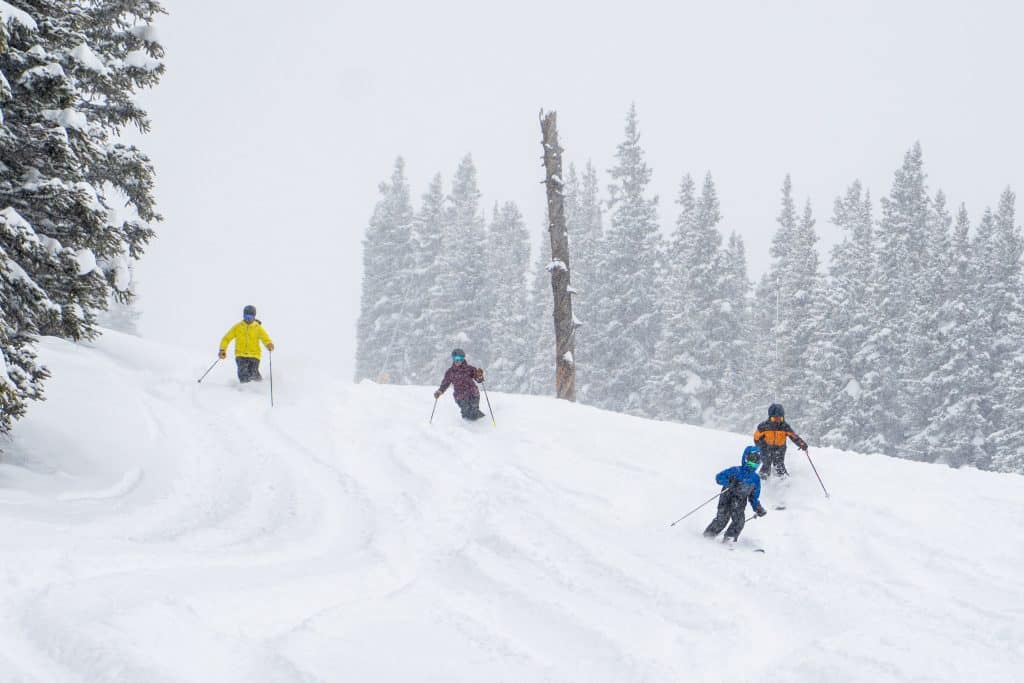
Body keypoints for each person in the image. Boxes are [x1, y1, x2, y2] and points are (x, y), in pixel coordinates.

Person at [704, 446, 767, 542]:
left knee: (739, 521)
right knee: (722, 519)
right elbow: (719, 477)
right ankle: (708, 536)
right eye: (751, 462)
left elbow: (754, 497)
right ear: (745, 459)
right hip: (727, 497)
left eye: (756, 463)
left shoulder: (755, 479)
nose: (753, 465)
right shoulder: (735, 471)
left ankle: (729, 538)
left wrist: (758, 508)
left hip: (740, 501)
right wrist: (729, 482)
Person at [219, 305, 274, 383]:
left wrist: (269, 344)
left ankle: (260, 385)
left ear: (254, 317)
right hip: (240, 355)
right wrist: (222, 350)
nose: (248, 319)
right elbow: (226, 338)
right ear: (243, 316)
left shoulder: (258, 328)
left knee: (253, 373)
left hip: (254, 355)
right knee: (243, 372)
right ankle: (245, 387)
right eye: (246, 316)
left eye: (250, 317)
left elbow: (265, 338)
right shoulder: (238, 327)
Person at [753, 403, 808, 480]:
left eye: (780, 418)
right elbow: (756, 438)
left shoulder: (784, 426)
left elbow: (794, 437)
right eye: (774, 418)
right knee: (766, 463)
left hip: (780, 448)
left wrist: (801, 444)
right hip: (766, 447)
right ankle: (762, 479)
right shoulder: (764, 426)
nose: (777, 421)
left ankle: (783, 480)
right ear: (770, 417)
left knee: (779, 464)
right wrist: (761, 446)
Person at [434, 348, 486, 420]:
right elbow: (445, 383)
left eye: (460, 358)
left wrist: (479, 376)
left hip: (473, 394)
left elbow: (478, 379)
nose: (457, 361)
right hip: (460, 396)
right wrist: (440, 391)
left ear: (463, 359)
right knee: (466, 413)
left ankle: (482, 422)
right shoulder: (450, 372)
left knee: (474, 412)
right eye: (455, 358)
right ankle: (472, 423)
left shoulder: (469, 369)